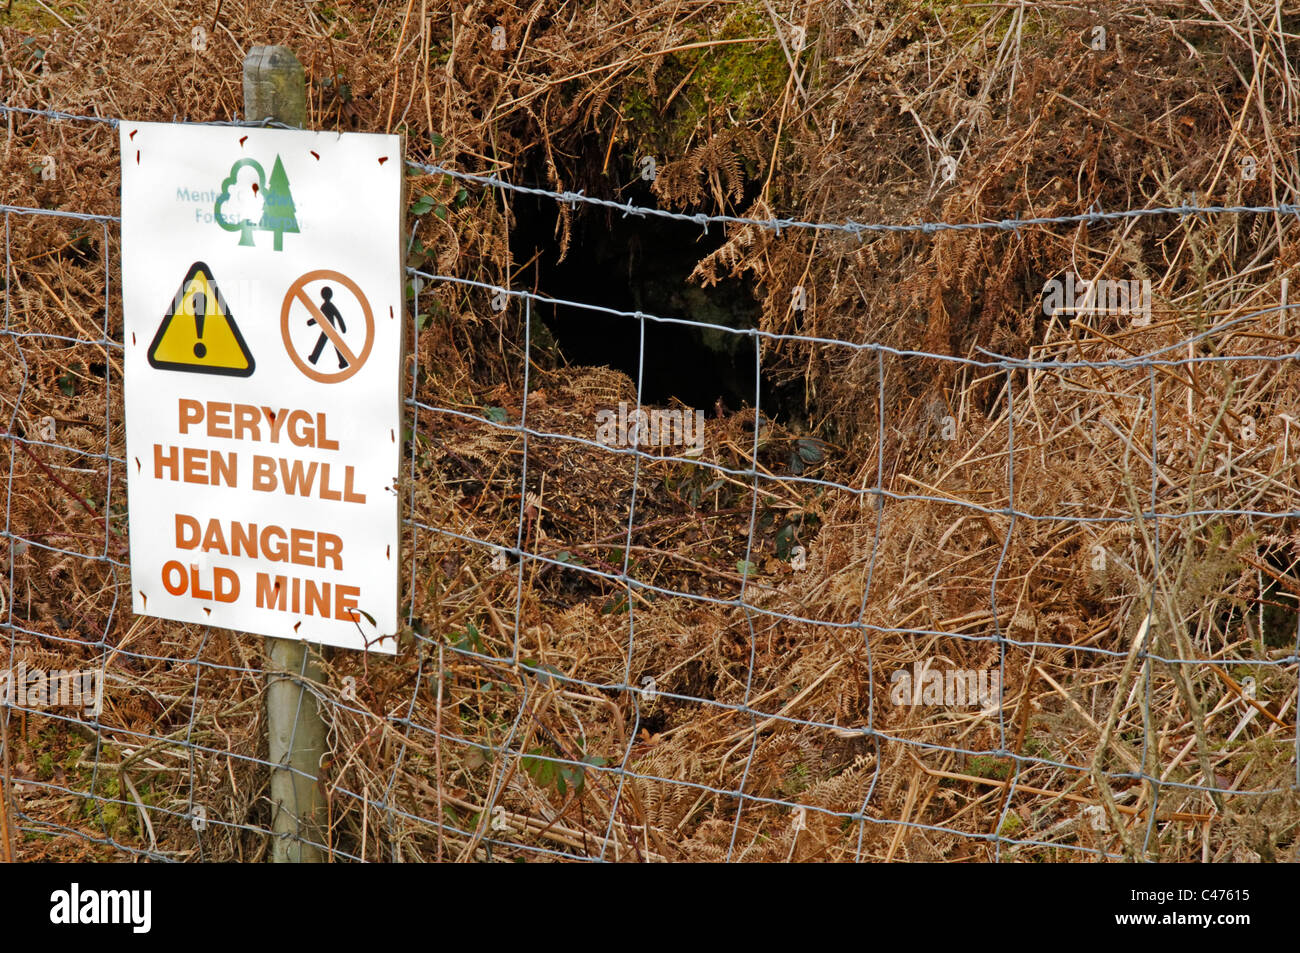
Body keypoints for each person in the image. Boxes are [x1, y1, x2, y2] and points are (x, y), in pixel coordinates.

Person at [307, 286, 348, 369]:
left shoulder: (326, 306)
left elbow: (321, 317)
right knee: (329, 344)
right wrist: (342, 327)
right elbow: (336, 316)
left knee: (322, 343)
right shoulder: (326, 306)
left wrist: (311, 322)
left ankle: (314, 358)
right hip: (329, 328)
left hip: (328, 328)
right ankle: (343, 361)